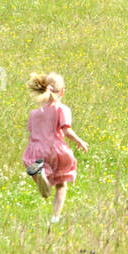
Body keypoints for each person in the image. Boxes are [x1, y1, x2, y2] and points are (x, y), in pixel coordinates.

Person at [22, 72, 88, 225]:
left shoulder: (34, 113)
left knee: (40, 170)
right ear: (62, 91)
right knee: (61, 184)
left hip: (35, 151)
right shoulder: (62, 109)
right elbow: (66, 131)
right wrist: (79, 140)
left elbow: (32, 132)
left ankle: (42, 172)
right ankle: (55, 218)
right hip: (55, 149)